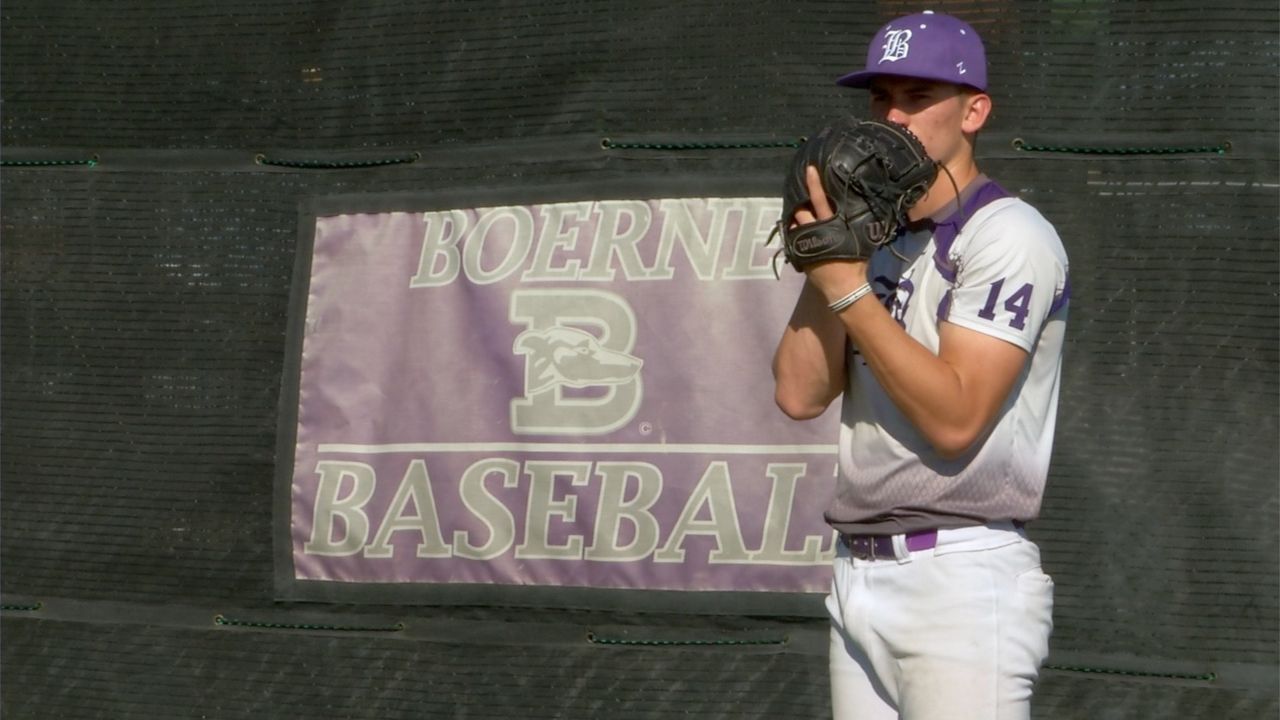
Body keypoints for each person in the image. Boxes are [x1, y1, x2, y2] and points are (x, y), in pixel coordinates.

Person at [771, 10, 1069, 720]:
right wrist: (833, 254)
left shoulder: (1008, 234)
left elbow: (956, 419)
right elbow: (798, 394)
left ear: (974, 112)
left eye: (918, 96)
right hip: (857, 572)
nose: (894, 116)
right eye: (881, 97)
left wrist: (848, 288)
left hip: (960, 579)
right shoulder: (871, 236)